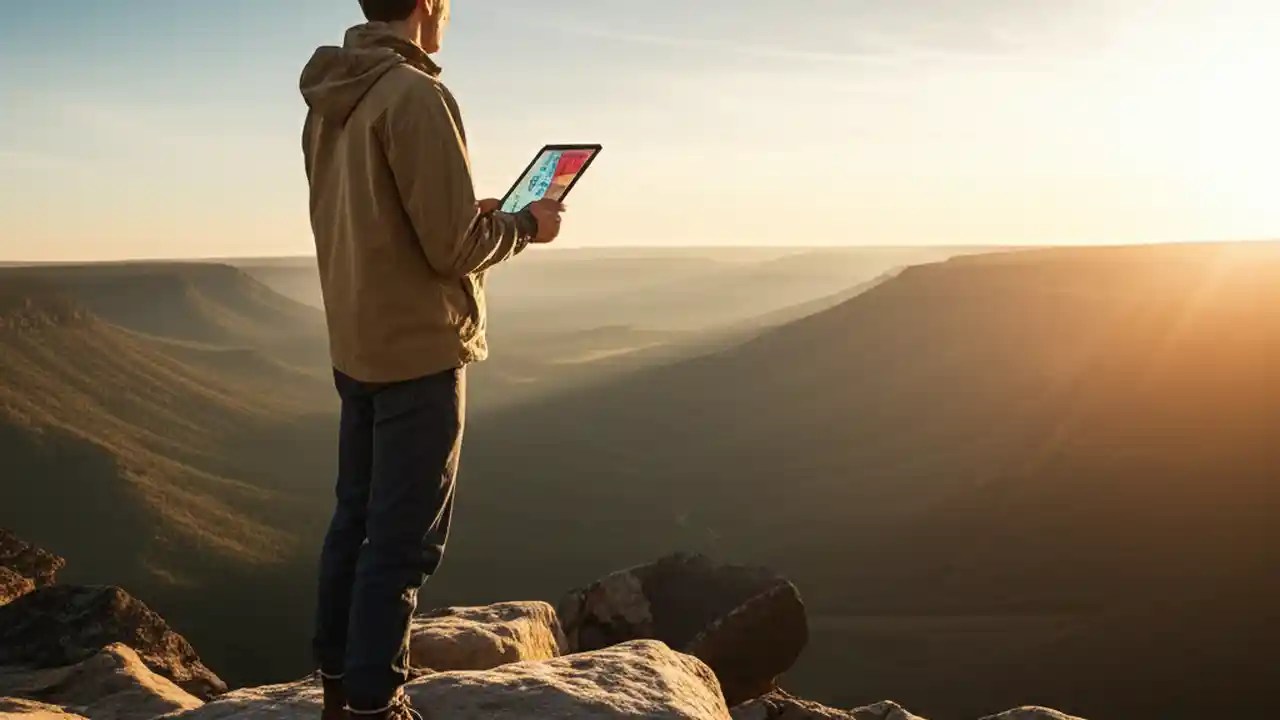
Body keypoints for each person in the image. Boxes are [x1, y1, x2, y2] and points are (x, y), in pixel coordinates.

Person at [299, 0, 565, 718]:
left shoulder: (331, 96)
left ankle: (338, 685)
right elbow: (454, 250)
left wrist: (470, 215)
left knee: (353, 521)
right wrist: (524, 226)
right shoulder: (416, 95)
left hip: (357, 340)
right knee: (402, 542)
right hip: (420, 348)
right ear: (425, 5)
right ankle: (375, 702)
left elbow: (379, 217)